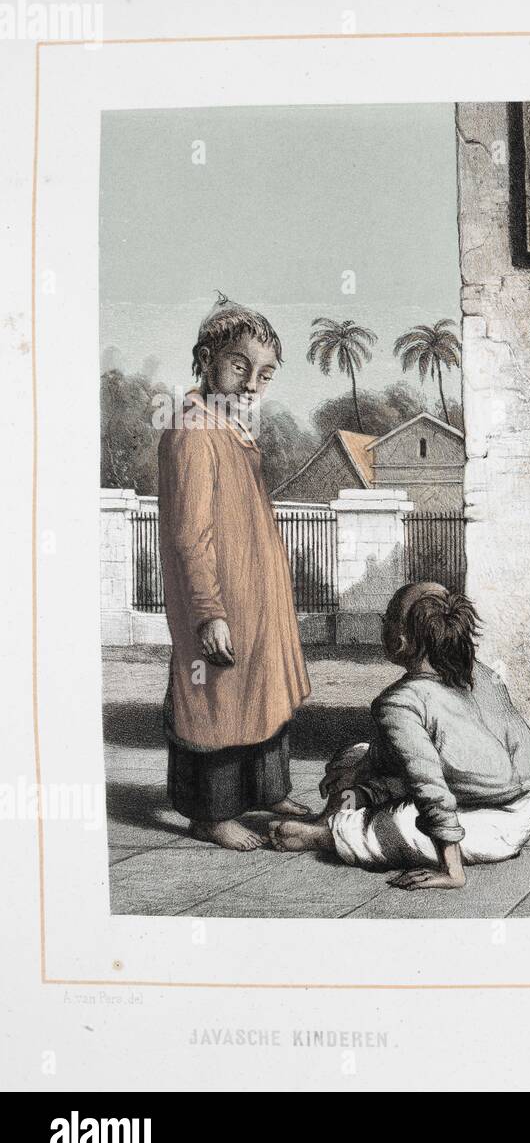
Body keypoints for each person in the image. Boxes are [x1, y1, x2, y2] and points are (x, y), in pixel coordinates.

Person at [157, 295, 310, 852]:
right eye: (240, 366)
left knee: (261, 692)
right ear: (206, 358)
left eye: (264, 374)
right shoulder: (194, 430)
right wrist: (209, 613)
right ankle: (209, 813)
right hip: (219, 604)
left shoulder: (229, 427)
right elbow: (188, 534)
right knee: (216, 698)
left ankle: (267, 791)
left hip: (254, 601)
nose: (251, 384)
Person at [269, 582, 530, 890]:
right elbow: (405, 753)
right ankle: (328, 819)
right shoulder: (477, 671)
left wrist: (451, 871)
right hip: (520, 804)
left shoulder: (400, 702)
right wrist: (358, 771)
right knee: (356, 755)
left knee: (400, 822)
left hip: (492, 825)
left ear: (400, 641)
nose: (382, 625)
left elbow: (430, 786)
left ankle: (327, 836)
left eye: (387, 618)